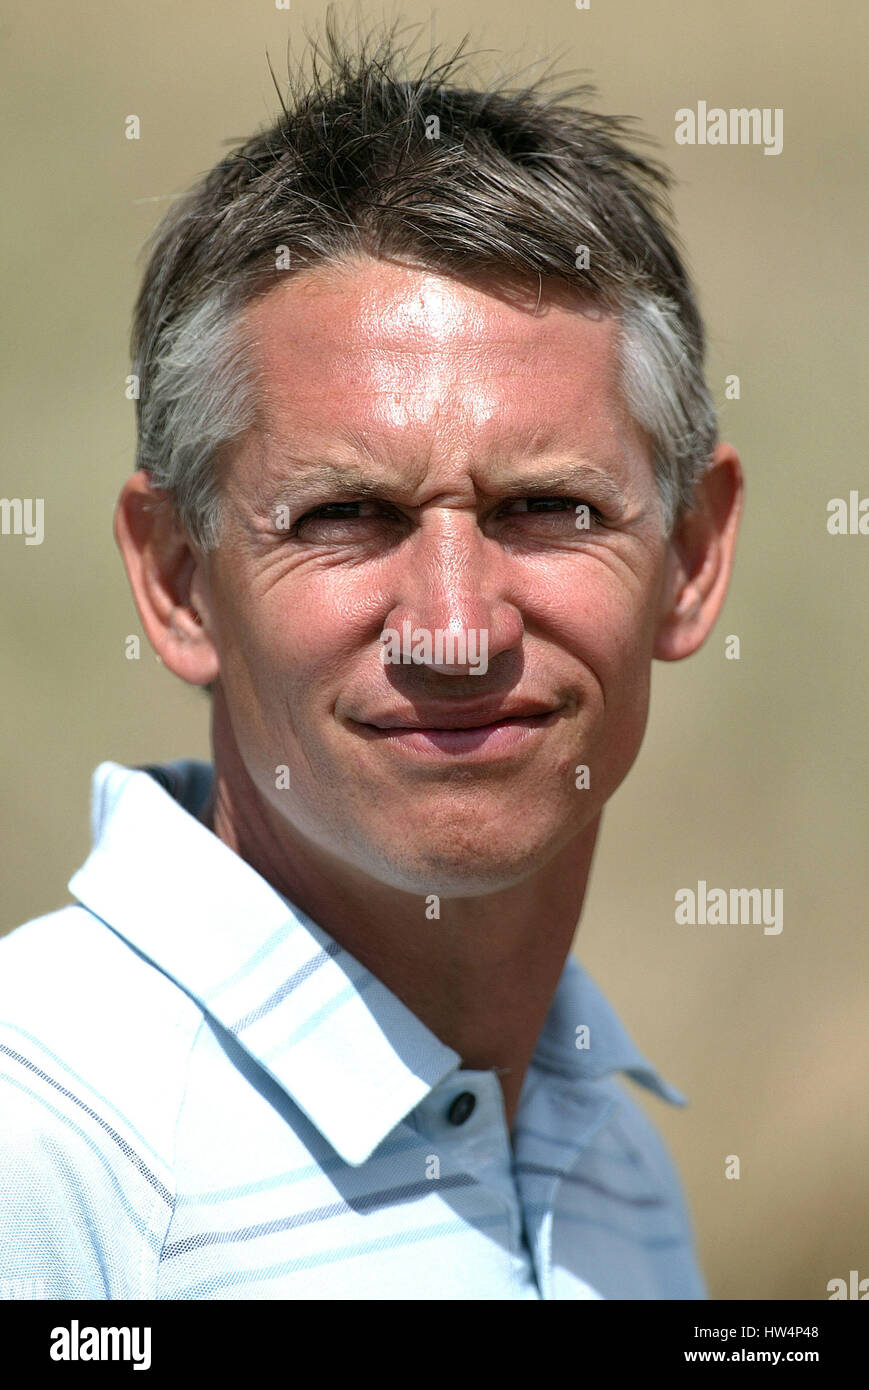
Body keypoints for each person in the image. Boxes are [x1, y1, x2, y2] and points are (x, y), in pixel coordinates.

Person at [0, 22, 742, 1300]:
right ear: (177, 579)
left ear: (687, 554)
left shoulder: (610, 1166)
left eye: (545, 509)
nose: (455, 628)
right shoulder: (47, 1147)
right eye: (345, 517)